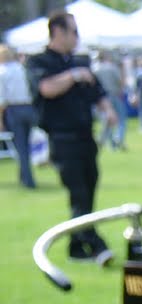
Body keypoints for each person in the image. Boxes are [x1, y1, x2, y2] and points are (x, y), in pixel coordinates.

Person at [27, 11, 118, 264]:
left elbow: (97, 93)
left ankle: (76, 249)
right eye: (73, 31)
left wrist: (108, 110)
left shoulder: (80, 61)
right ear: (58, 32)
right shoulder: (39, 62)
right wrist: (73, 76)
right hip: (62, 138)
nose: (77, 37)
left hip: (86, 137)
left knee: (88, 191)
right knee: (78, 193)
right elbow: (47, 89)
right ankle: (97, 245)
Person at [1, 45, 39, 189]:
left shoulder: (2, 72)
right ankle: (24, 176)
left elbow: (1, 99)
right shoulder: (21, 69)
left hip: (13, 109)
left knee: (21, 146)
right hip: (28, 107)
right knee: (25, 146)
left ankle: (28, 180)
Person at [91, 51, 125, 150]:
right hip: (114, 94)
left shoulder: (94, 69)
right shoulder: (111, 67)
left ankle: (111, 142)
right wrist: (121, 91)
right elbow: (119, 80)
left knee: (107, 121)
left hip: (101, 98)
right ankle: (118, 138)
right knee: (120, 119)